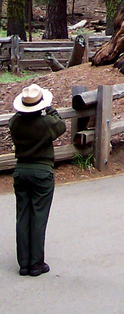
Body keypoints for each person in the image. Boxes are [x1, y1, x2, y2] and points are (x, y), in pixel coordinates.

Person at [9, 83, 67, 276]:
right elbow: (61, 124)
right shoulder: (47, 123)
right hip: (42, 171)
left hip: (21, 171)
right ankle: (36, 263)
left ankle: (23, 263)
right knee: (38, 217)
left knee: (23, 216)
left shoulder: (15, 123)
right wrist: (49, 107)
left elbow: (17, 116)